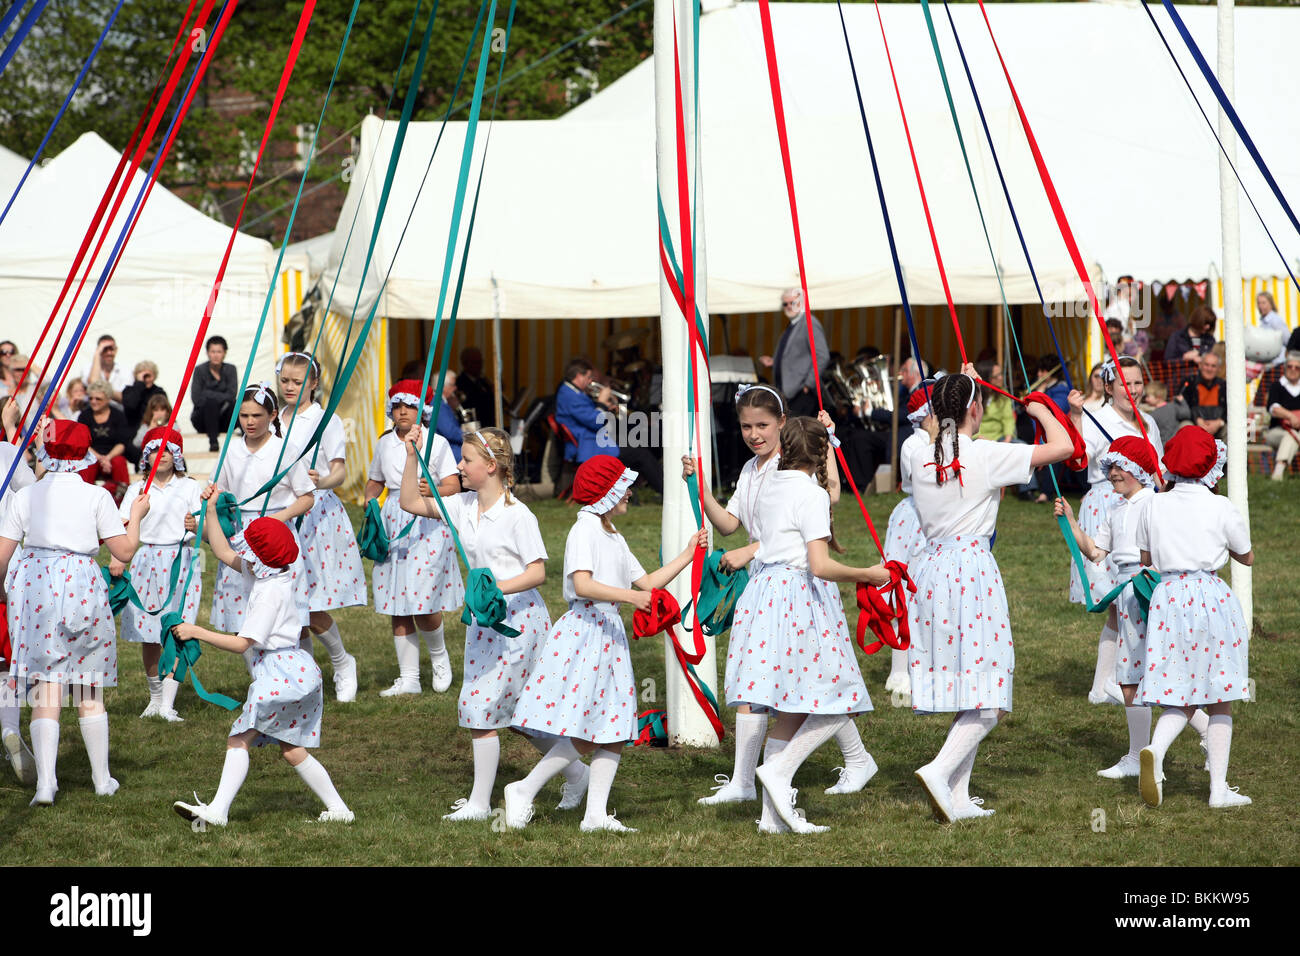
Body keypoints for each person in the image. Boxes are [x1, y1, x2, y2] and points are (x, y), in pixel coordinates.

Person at [684, 387, 878, 808]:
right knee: (774, 682)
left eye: (762, 425)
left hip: (798, 585)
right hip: (768, 588)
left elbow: (815, 514)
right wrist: (700, 488)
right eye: (746, 426)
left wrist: (748, 552)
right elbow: (732, 523)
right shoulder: (753, 469)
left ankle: (841, 762)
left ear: (783, 423)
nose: (754, 434)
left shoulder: (791, 470)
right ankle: (747, 780)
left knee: (806, 683)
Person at [906, 368, 1078, 822]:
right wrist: (1041, 409)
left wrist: (965, 387)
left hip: (931, 573)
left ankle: (958, 797)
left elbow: (946, 433)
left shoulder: (921, 456)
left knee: (971, 684)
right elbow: (1064, 447)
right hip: (970, 571)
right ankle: (940, 770)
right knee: (992, 689)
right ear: (975, 410)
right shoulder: (983, 454)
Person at [505, 455, 704, 833]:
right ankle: (523, 789)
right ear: (604, 492)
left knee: (615, 727)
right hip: (585, 635)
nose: (629, 492)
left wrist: (689, 553)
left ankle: (596, 815)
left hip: (609, 636)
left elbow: (647, 583)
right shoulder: (585, 530)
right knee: (586, 729)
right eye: (622, 486)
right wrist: (628, 599)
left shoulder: (612, 533)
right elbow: (583, 585)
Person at [399, 425, 561, 821]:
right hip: (483, 625)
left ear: (490, 466)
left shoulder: (517, 515)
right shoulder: (461, 507)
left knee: (482, 708)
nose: (459, 465)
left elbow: (537, 572)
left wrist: (495, 589)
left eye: (466, 460)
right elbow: (408, 502)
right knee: (518, 717)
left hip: (518, 623)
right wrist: (409, 455)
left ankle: (478, 803)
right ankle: (579, 776)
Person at [741, 417, 889, 833]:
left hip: (764, 597)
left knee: (790, 709)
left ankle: (771, 819)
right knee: (837, 696)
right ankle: (780, 770)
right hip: (795, 599)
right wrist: (868, 574)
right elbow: (820, 566)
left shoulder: (770, 483)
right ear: (822, 452)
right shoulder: (811, 495)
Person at [171, 509, 354, 827]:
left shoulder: (270, 593)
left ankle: (218, 811)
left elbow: (243, 643)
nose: (244, 554)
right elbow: (223, 551)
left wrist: (195, 630)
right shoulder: (270, 570)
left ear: (260, 556)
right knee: (291, 748)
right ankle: (339, 809)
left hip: (280, 673)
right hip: (294, 671)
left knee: (239, 737)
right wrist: (211, 510)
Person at [0, 418, 149, 806]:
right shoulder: (96, 497)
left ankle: (46, 784)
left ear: (45, 452)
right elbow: (125, 551)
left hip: (34, 588)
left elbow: (0, 559)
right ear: (83, 454)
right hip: (82, 585)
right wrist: (137, 515)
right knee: (87, 685)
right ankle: (102, 780)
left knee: (43, 688)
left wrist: (5, 593)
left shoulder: (24, 497)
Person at [1135, 426, 1253, 809]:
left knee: (1178, 688)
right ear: (1210, 465)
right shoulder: (1220, 506)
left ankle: (1156, 746)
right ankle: (1218, 789)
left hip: (1168, 599)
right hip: (1209, 598)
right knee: (1219, 695)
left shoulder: (1152, 504)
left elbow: (1146, 558)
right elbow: (1246, 555)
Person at [1055, 436, 1159, 779]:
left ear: (1138, 470)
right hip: (1127, 596)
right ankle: (1136, 755)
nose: (1112, 473)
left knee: (1164, 675)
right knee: (1130, 678)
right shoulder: (1114, 511)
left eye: (1119, 467)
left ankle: (1205, 735)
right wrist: (1070, 520)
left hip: (1153, 591)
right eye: (1110, 467)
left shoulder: (1156, 505)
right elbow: (1096, 552)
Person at [1068, 357, 1163, 706]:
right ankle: (1105, 683)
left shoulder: (1149, 422)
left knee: (1133, 598)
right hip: (1106, 508)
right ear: (1109, 387)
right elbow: (1078, 459)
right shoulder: (1096, 416)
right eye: (1126, 384)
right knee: (1116, 601)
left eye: (1138, 383)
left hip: (1141, 508)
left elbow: (1157, 470)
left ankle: (1106, 683)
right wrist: (1077, 416)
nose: (1134, 391)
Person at [365, 379, 464, 697]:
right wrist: (370, 506)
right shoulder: (383, 444)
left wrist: (434, 490)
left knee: (422, 598)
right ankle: (409, 678)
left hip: (427, 520)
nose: (403, 411)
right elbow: (375, 481)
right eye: (397, 406)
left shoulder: (437, 443)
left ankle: (439, 658)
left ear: (423, 410)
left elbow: (453, 484)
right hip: (394, 518)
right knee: (397, 600)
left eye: (409, 406)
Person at [275, 353, 364, 702]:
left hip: (314, 512)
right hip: (282, 511)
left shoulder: (325, 420)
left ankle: (343, 662)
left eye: (297, 382)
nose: (290, 387)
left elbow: (340, 470)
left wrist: (323, 480)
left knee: (310, 601)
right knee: (288, 600)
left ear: (313, 383)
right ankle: (307, 675)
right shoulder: (274, 418)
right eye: (285, 381)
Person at [208, 384, 315, 636]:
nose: (249, 422)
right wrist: (212, 500)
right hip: (241, 538)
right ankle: (259, 675)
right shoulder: (230, 450)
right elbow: (220, 491)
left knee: (289, 618)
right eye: (244, 416)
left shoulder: (285, 449)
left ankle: (303, 670)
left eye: (256, 415)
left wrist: (276, 520)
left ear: (273, 415)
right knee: (242, 619)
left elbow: (307, 497)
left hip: (277, 536)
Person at [114, 427, 203, 722]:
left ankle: (168, 702)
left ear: (177, 456)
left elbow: (205, 526)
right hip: (146, 562)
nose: (162, 455)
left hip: (180, 561)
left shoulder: (190, 487)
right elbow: (123, 526)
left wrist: (195, 525)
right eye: (155, 449)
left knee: (177, 628)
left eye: (168, 449)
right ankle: (155, 696)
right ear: (146, 456)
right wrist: (118, 558)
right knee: (149, 634)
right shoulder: (136, 491)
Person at [882, 385, 937, 696]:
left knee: (930, 590)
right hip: (915, 519)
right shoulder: (912, 444)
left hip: (938, 518)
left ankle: (928, 662)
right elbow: (922, 476)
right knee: (902, 590)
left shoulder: (943, 440)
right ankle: (899, 669)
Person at [0, 398, 38, 785]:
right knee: (8, 660)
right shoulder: (5, 454)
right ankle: (10, 727)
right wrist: (12, 434)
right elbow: (33, 493)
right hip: (6, 562)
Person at [759, 288, 828, 418]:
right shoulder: (793, 325)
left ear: (801, 302)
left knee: (798, 432)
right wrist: (775, 361)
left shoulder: (809, 322)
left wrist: (808, 384)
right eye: (785, 304)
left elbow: (822, 355)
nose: (789, 306)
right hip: (789, 392)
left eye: (793, 302)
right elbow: (796, 356)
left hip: (801, 393)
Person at [77, 380, 133, 502]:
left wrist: (107, 458)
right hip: (91, 455)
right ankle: (84, 500)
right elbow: (83, 442)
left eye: (98, 399)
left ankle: (123, 499)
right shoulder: (84, 416)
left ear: (108, 399)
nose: (93, 401)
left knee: (119, 462)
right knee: (87, 464)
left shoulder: (118, 415)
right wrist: (100, 458)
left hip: (113, 455)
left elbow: (122, 443)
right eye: (91, 398)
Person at [189, 335, 238, 452]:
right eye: (213, 351)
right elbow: (196, 398)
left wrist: (206, 393)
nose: (216, 355)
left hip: (225, 419)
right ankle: (213, 442)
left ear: (224, 353)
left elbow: (232, 396)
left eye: (219, 352)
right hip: (203, 420)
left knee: (237, 404)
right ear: (207, 353)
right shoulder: (200, 370)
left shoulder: (230, 369)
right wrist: (219, 398)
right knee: (210, 404)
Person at [1264, 351, 1300, 480]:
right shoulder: (1277, 386)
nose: (1293, 370)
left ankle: (1279, 471)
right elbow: (1273, 408)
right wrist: (1291, 416)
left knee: (1294, 435)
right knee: (1290, 435)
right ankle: (1278, 471)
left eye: (1297, 367)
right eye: (1290, 366)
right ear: (1285, 368)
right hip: (1277, 432)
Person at [1181, 350, 1227, 439]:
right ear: (1200, 365)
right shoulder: (1189, 383)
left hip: (1218, 426)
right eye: (1206, 365)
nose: (1209, 369)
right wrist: (1197, 419)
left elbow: (1231, 408)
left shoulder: (1224, 386)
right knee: (1185, 426)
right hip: (1195, 423)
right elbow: (1182, 406)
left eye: (1213, 366)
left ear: (1219, 369)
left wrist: (1219, 422)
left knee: (1230, 430)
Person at [121, 361, 166, 434]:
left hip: (153, 430)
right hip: (133, 433)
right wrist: (139, 384)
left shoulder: (159, 392)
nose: (147, 379)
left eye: (149, 376)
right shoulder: (129, 391)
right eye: (144, 376)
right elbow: (130, 405)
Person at [82, 334, 130, 404]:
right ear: (98, 350)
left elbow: (126, 398)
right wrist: (97, 354)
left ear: (116, 350)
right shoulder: (88, 368)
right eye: (105, 349)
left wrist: (102, 390)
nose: (109, 353)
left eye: (111, 349)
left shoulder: (126, 370)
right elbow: (93, 382)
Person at [975, 360, 1014, 442]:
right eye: (995, 376)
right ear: (985, 379)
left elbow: (1008, 419)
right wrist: (980, 438)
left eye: (1001, 374)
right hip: (978, 439)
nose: (1001, 378)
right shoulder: (975, 396)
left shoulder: (1003, 393)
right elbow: (970, 422)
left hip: (1000, 438)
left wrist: (1007, 440)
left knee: (1022, 446)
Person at [1142, 380, 1190, 446]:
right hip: (1176, 444)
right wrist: (1182, 401)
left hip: (1163, 447)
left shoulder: (1153, 415)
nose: (1146, 399)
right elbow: (1186, 414)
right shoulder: (1173, 406)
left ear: (1158, 397)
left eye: (1148, 396)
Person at [130, 393, 172, 466]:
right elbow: (136, 443)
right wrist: (150, 429)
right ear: (151, 412)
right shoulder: (146, 427)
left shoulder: (173, 426)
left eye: (162, 410)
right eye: (156, 410)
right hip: (150, 463)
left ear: (167, 412)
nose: (159, 413)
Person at [458, 346, 495, 428]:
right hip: (476, 426)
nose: (479, 366)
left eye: (481, 362)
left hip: (490, 424)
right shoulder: (460, 382)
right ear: (465, 363)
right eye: (476, 362)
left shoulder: (483, 381)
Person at [435, 370, 465, 461]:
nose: (455, 388)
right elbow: (449, 431)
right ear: (443, 387)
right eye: (452, 385)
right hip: (448, 452)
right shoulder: (438, 404)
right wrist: (469, 436)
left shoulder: (442, 402)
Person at [1256, 291, 1287, 367]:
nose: (1260, 306)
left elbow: (1287, 340)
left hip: (1279, 363)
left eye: (1263, 303)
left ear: (1271, 304)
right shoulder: (1263, 321)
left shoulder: (1275, 320)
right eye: (1259, 303)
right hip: (1269, 364)